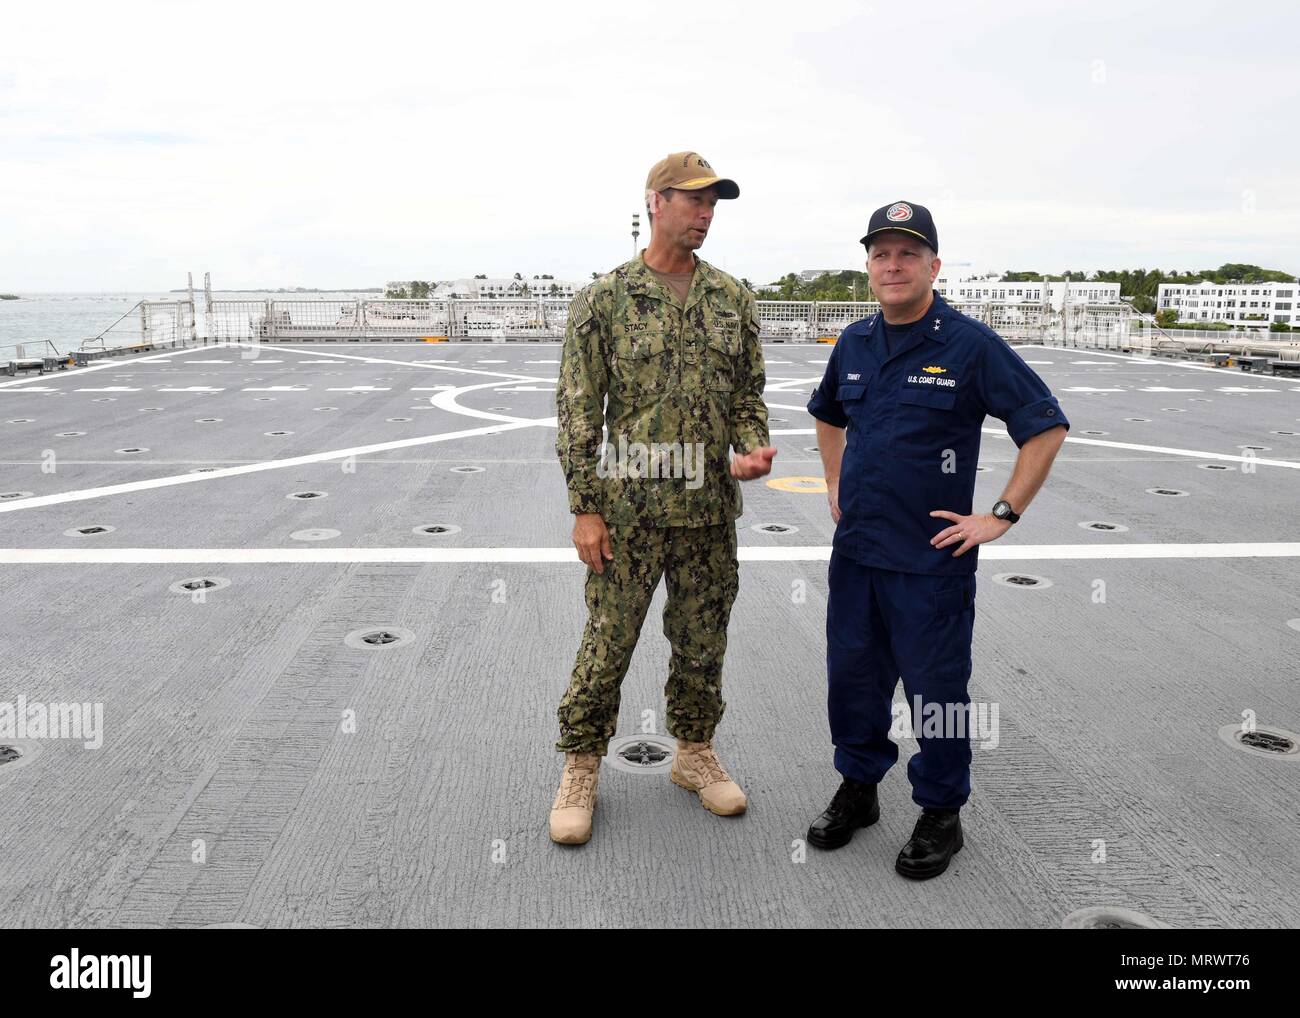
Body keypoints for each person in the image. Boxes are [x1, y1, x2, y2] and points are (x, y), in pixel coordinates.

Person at [804, 200, 1069, 879]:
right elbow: (828, 414)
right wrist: (834, 481)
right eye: (881, 254)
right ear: (869, 267)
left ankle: (941, 811)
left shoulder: (969, 345)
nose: (893, 265)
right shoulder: (856, 343)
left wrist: (1001, 515)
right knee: (853, 683)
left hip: (932, 561)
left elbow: (1044, 425)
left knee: (938, 693)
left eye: (907, 254)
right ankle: (859, 789)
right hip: (859, 551)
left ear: (933, 265)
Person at [549, 151, 777, 846]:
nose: (705, 214)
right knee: (608, 644)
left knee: (703, 643)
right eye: (693, 200)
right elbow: (579, 410)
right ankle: (581, 767)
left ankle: (694, 754)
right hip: (631, 512)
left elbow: (748, 394)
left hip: (709, 512)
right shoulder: (606, 299)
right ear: (655, 201)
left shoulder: (732, 298)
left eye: (714, 204)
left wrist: (752, 444)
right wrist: (585, 507)